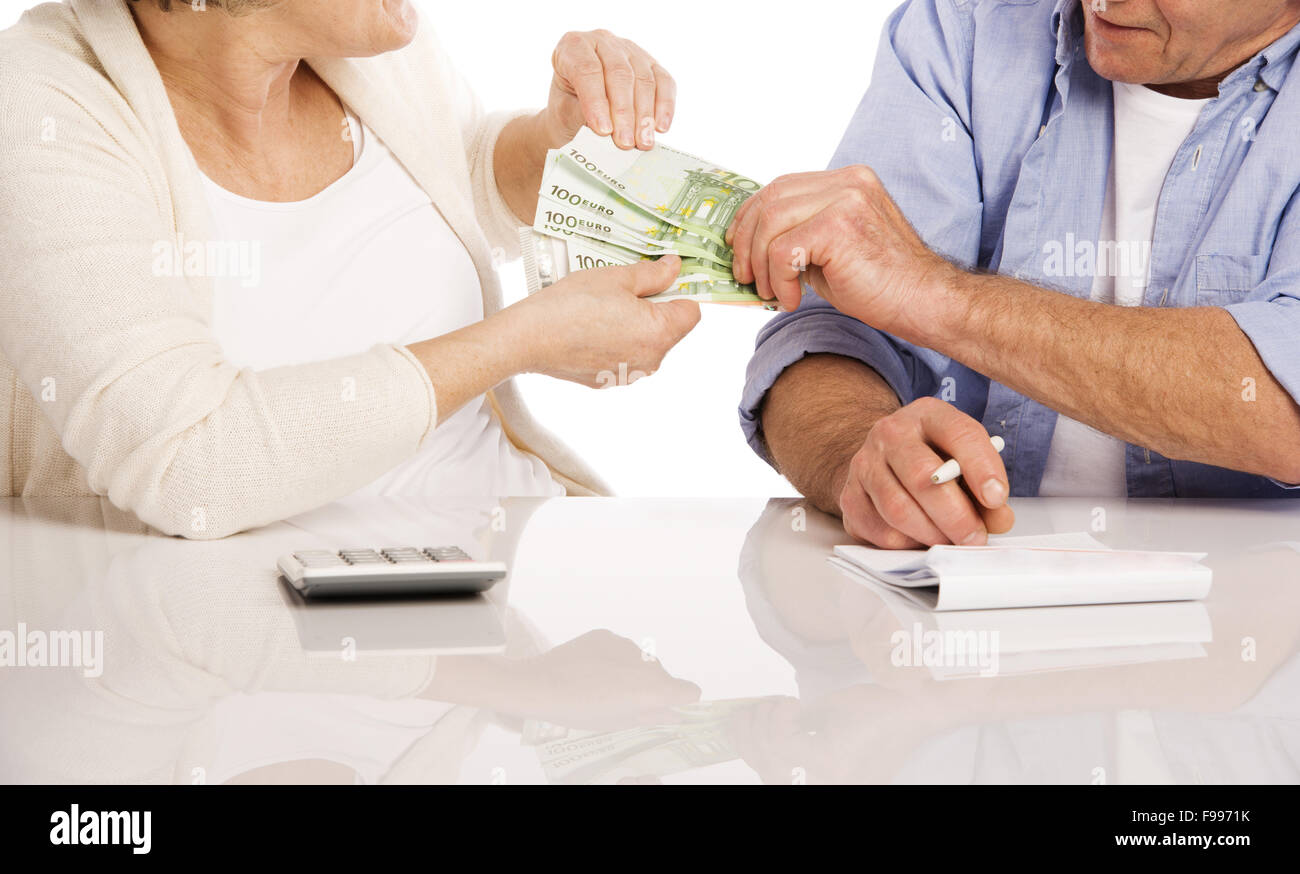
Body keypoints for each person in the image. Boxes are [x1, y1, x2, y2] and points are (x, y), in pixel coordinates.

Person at [0, 0, 701, 538]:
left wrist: (563, 145)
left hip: (520, 575)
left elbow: (458, 182)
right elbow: (187, 463)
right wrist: (518, 343)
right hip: (249, 639)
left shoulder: (373, 44)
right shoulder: (41, 103)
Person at [734, 0, 1300, 549]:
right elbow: (829, 334)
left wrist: (936, 294)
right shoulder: (963, 25)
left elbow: (1284, 407)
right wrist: (862, 461)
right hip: (963, 591)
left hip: (1254, 602)